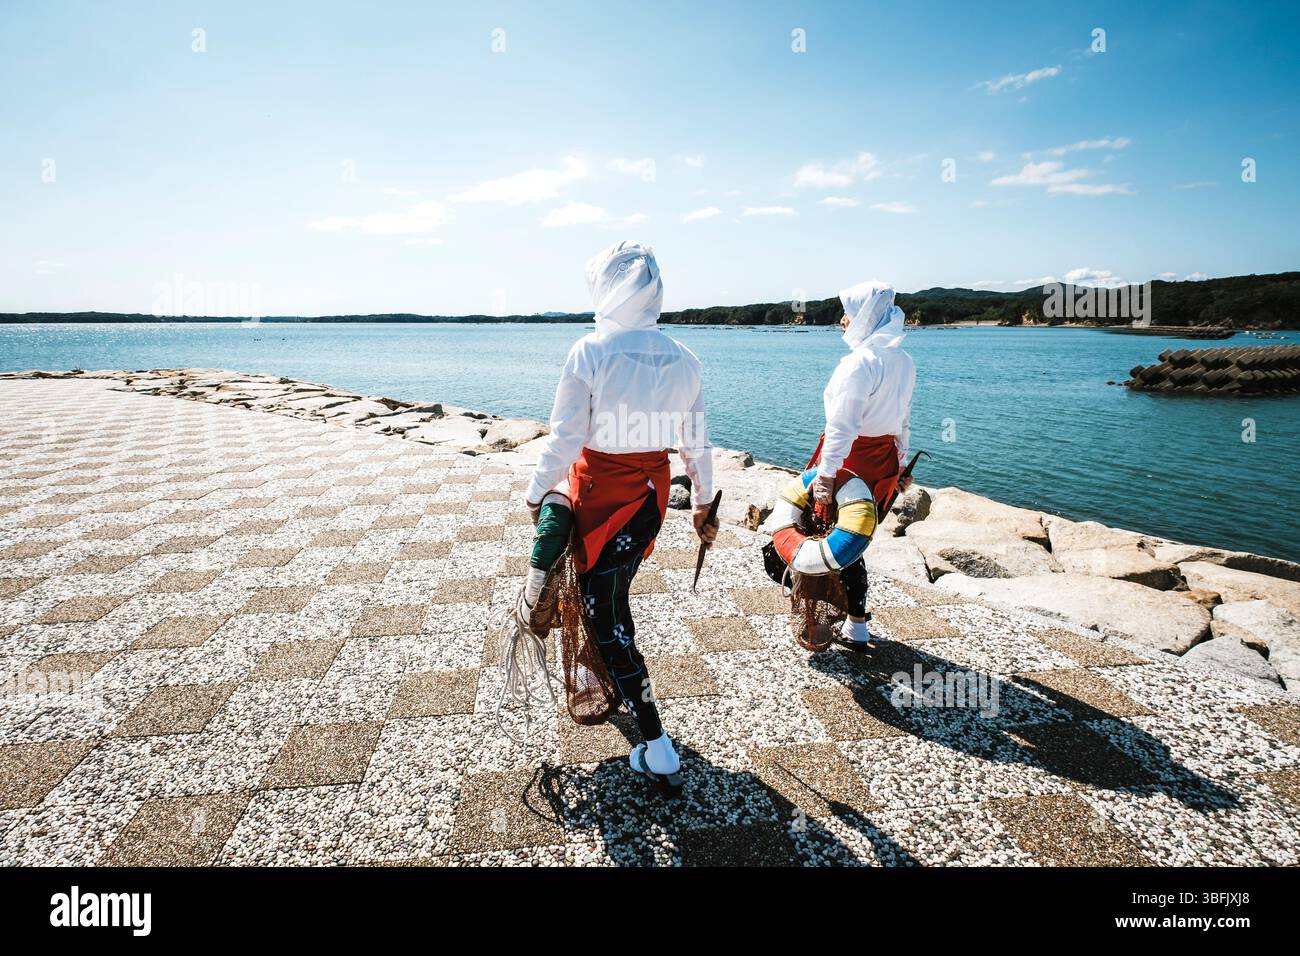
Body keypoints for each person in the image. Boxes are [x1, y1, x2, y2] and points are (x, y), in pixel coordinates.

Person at [524, 240, 716, 790]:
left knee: (603, 616)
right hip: (648, 502)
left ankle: (658, 744)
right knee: (610, 601)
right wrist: (702, 501)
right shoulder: (685, 358)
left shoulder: (589, 351)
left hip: (599, 493)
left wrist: (537, 493)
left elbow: (566, 437)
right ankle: (618, 688)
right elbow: (696, 445)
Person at [809, 281, 916, 649]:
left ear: (865, 318)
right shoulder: (903, 360)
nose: (842, 321)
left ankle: (846, 622)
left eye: (849, 314)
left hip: (850, 463)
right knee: (856, 540)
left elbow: (842, 427)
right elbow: (903, 420)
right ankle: (851, 620)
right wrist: (901, 464)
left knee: (837, 541)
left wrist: (825, 475)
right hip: (882, 462)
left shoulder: (859, 363)